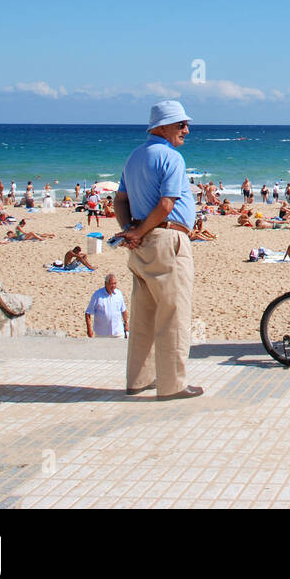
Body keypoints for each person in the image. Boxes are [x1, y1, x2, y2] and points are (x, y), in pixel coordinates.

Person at [115, 100, 202, 401]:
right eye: (181, 124)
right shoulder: (171, 158)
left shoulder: (134, 157)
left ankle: (138, 380)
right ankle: (173, 385)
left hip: (141, 244)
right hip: (167, 240)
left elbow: (120, 201)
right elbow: (167, 204)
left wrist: (131, 231)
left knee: (143, 315)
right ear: (162, 127)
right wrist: (137, 231)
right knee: (173, 313)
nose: (186, 130)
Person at [85, 273, 129, 338]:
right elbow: (88, 313)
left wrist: (126, 323)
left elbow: (123, 310)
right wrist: (89, 329)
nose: (113, 286)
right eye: (111, 284)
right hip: (102, 333)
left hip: (118, 332)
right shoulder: (97, 295)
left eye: (115, 283)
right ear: (106, 283)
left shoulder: (119, 294)